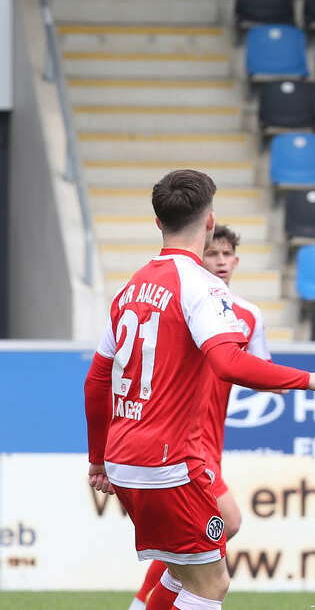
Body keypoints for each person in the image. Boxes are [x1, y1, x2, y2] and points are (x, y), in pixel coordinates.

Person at [85, 169, 315, 610]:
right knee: (212, 585)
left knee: (184, 569)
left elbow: (96, 381)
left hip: (124, 455)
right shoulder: (201, 287)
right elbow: (228, 363)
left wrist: (97, 458)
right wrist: (311, 380)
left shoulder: (131, 288)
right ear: (209, 220)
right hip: (168, 460)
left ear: (158, 223)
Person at [127, 225, 271, 610]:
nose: (220, 262)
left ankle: (149, 602)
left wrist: (286, 383)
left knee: (191, 545)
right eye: (213, 254)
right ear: (199, 257)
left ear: (237, 261)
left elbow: (256, 370)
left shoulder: (249, 315)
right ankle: (143, 601)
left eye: (227, 255)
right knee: (226, 526)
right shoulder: (190, 300)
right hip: (185, 440)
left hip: (210, 439)